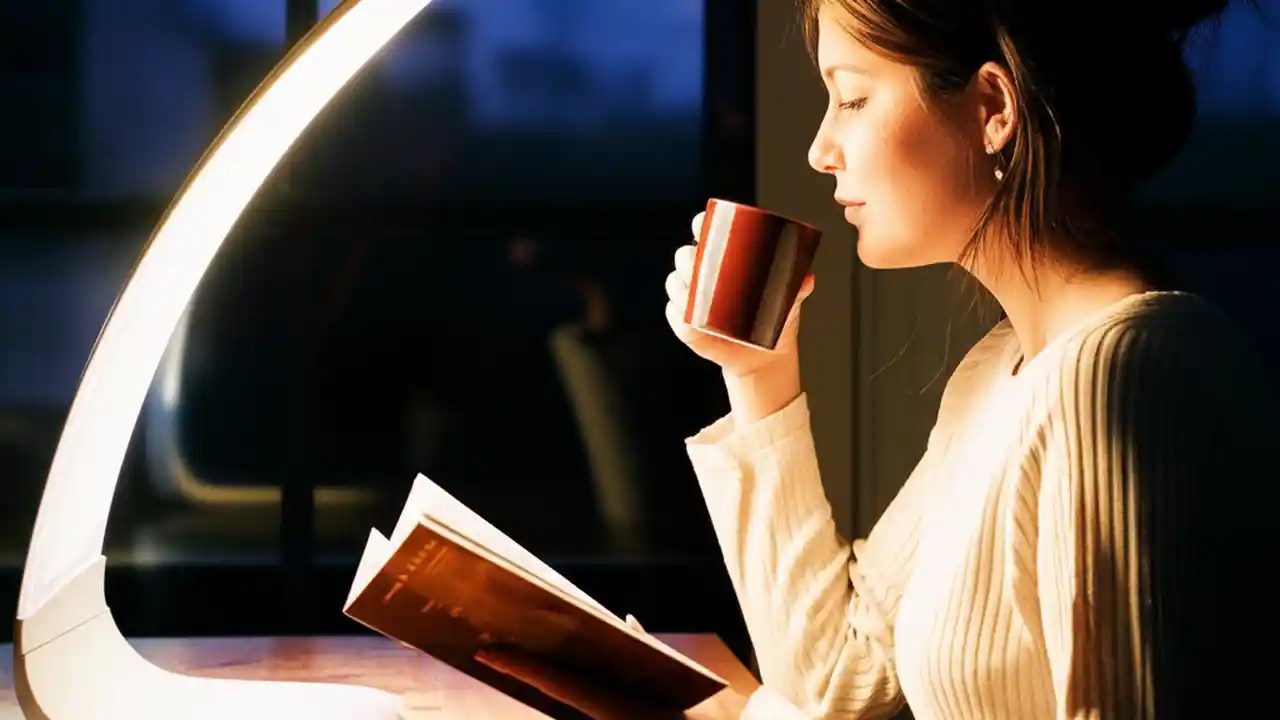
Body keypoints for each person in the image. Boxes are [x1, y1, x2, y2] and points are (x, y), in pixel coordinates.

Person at [664, 0, 1275, 717]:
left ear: (993, 107)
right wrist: (758, 373)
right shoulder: (1002, 370)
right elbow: (833, 683)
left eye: (852, 98)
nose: (820, 149)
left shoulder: (1120, 376)